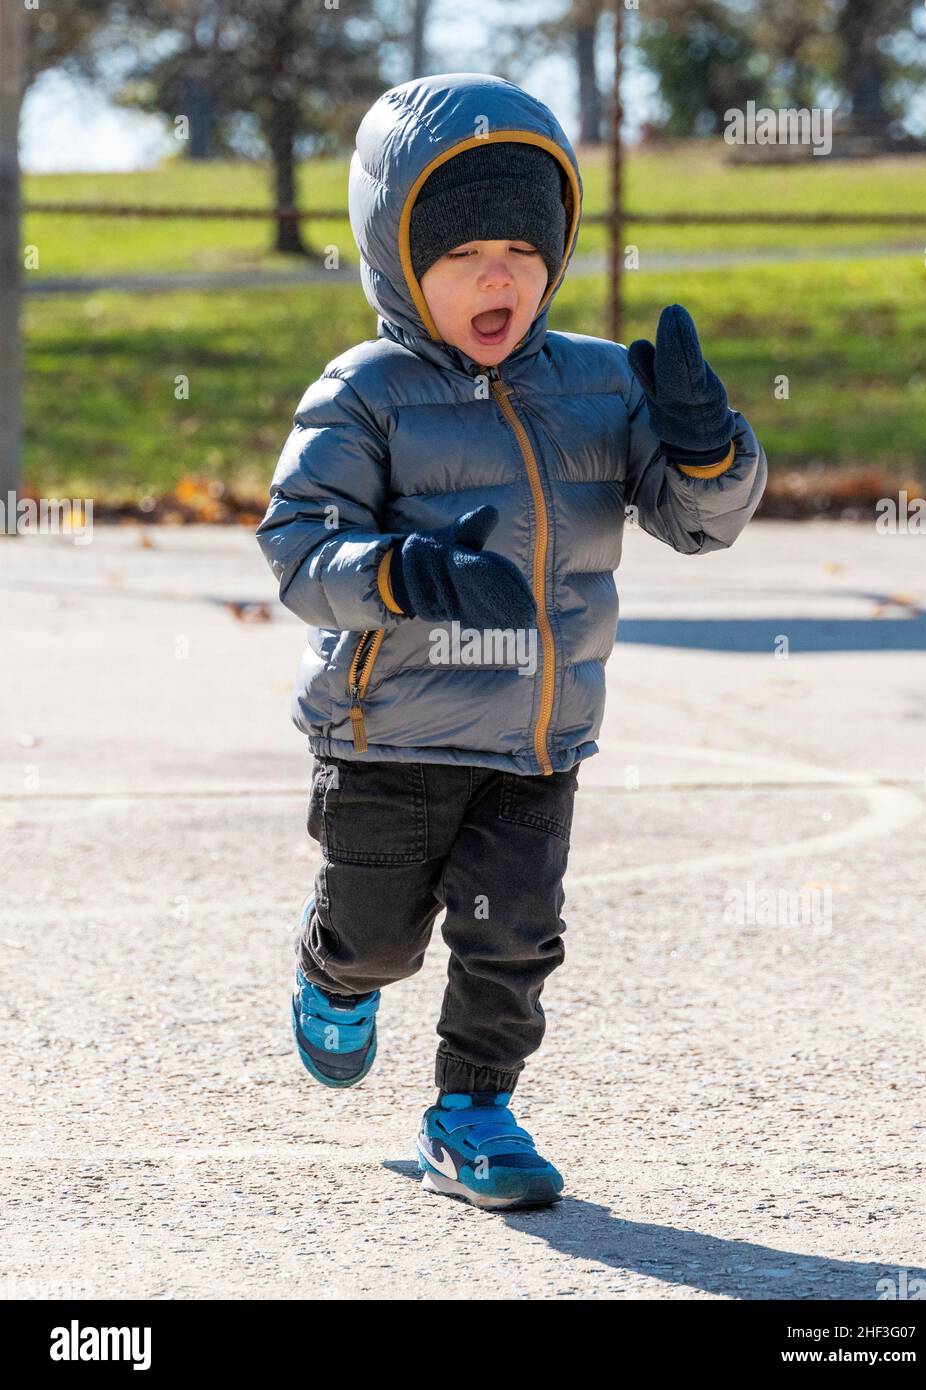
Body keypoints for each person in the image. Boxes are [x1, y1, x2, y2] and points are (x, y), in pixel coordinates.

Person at [254, 72, 768, 1211]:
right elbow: (298, 551)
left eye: (526, 248)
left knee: (514, 937)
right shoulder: (365, 395)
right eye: (464, 251)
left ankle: (472, 1110)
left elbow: (698, 523)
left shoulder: (599, 385)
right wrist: (402, 571)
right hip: (392, 736)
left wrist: (706, 449)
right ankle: (334, 964)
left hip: (539, 740)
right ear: (397, 257)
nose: (503, 274)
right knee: (383, 937)